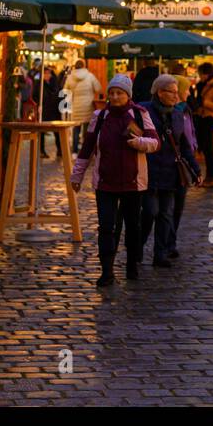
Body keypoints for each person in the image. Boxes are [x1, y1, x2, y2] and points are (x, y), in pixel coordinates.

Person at [71, 74, 159, 286]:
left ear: (127, 94)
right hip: (105, 182)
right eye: (112, 93)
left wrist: (137, 142)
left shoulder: (139, 114)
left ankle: (131, 265)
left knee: (133, 225)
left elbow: (155, 143)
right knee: (106, 227)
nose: (115, 96)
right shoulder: (100, 116)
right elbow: (87, 147)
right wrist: (77, 175)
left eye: (119, 93)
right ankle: (107, 271)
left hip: (133, 181)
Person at [140, 75, 202, 266]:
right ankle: (137, 249)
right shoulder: (143, 111)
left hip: (170, 172)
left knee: (165, 214)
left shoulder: (177, 114)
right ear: (159, 92)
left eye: (177, 92)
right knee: (150, 212)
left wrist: (196, 169)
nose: (176, 96)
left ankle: (160, 254)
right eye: (172, 92)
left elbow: (183, 146)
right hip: (148, 170)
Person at [64, 59, 100, 153]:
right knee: (87, 130)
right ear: (84, 66)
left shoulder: (70, 77)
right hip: (88, 106)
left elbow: (65, 91)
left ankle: (74, 151)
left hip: (76, 106)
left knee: (76, 129)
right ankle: (85, 150)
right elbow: (98, 88)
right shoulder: (90, 76)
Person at [40, 66, 63, 158]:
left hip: (55, 110)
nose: (46, 75)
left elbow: (61, 94)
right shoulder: (39, 85)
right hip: (44, 110)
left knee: (57, 131)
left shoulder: (55, 83)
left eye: (48, 73)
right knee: (41, 131)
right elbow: (35, 96)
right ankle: (42, 151)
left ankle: (60, 150)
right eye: (45, 73)